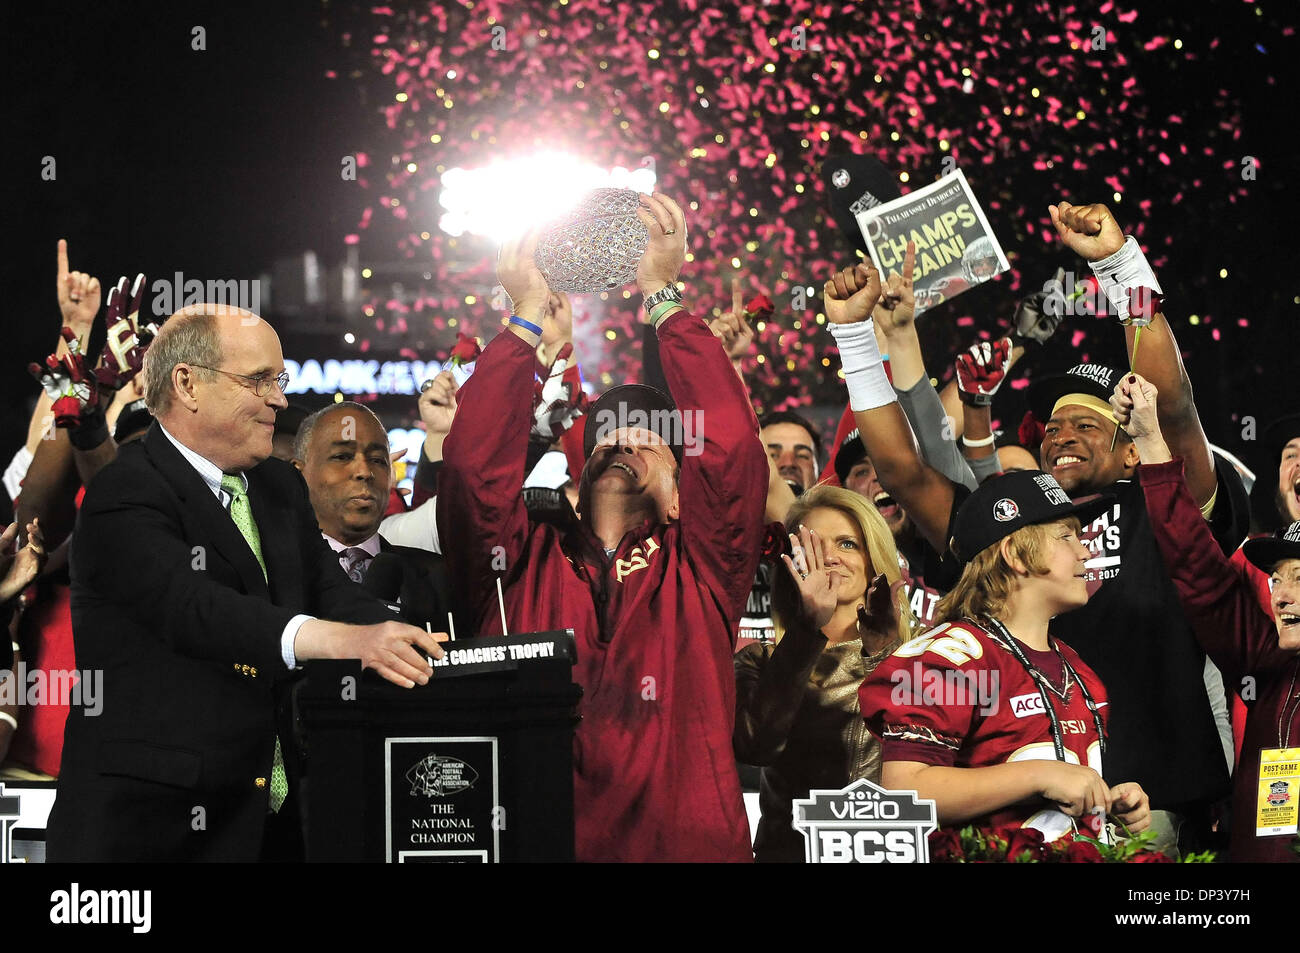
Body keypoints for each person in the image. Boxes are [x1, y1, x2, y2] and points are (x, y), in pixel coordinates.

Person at [825, 199, 1246, 853]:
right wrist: (857, 339)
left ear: (1133, 447)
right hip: (1019, 822)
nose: (1061, 437)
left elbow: (1175, 404)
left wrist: (1117, 264)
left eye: (1086, 424)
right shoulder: (1010, 523)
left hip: (1154, 810)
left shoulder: (1163, 507)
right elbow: (906, 472)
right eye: (1052, 426)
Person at [47, 304, 445, 862]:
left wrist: (410, 639)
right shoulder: (126, 491)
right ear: (187, 383)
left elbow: (331, 592)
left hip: (265, 824)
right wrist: (343, 641)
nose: (279, 399)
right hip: (147, 833)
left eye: (278, 380)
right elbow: (196, 609)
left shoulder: (279, 487)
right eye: (259, 380)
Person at [438, 193, 768, 862]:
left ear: (683, 500)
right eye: (612, 437)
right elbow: (473, 469)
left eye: (653, 441)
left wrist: (663, 297)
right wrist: (524, 319)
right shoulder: (513, 566)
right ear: (575, 477)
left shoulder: (705, 574)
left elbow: (731, 451)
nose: (627, 443)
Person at [860, 470, 1151, 842]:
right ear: (1014, 553)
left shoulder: (1078, 671)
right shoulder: (950, 659)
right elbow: (903, 793)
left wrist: (1106, 806)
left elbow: (1056, 804)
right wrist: (1040, 775)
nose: (1085, 550)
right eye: (1066, 536)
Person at [1116, 373, 1299, 862]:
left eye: (1299, 576)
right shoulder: (1266, 658)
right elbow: (1196, 567)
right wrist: (1152, 440)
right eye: (1277, 578)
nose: (1282, 595)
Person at [734, 484, 912, 861]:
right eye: (811, 547)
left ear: (874, 557)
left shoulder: (927, 656)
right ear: (790, 565)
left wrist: (885, 655)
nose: (829, 558)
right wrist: (805, 631)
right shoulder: (760, 661)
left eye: (847, 544)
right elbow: (758, 747)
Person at [293, 401, 451, 631]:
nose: (364, 472)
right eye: (342, 456)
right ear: (299, 474)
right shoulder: (269, 574)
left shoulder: (441, 578)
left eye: (377, 460)